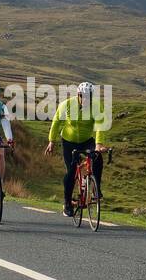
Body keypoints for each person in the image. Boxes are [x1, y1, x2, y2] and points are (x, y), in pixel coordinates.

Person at [44, 81, 109, 217]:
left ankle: (96, 189)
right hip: (69, 141)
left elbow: (100, 126)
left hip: (87, 140)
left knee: (97, 157)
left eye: (88, 97)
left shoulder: (97, 106)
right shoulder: (67, 105)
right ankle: (67, 203)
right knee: (71, 172)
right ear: (78, 95)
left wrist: (98, 144)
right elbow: (56, 122)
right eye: (82, 96)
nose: (85, 100)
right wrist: (51, 141)